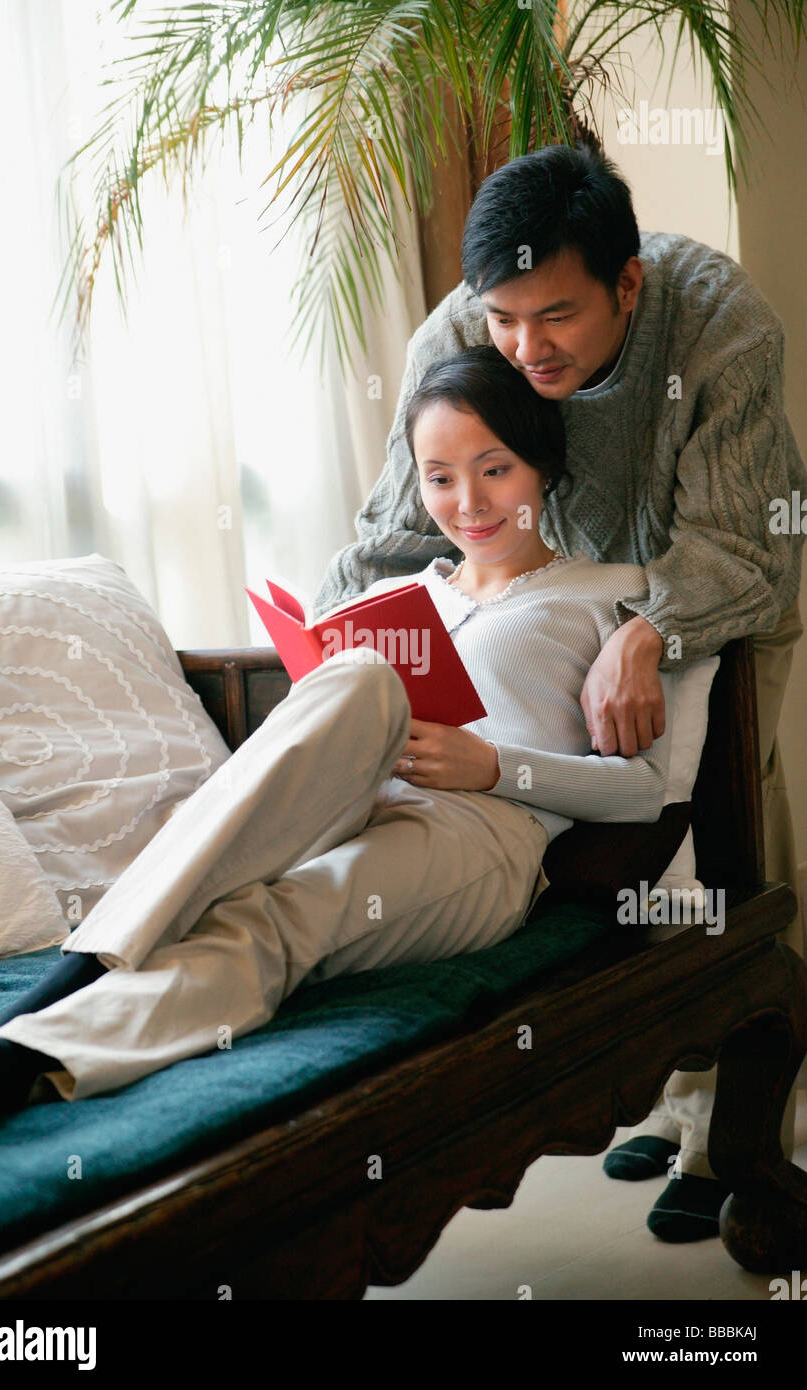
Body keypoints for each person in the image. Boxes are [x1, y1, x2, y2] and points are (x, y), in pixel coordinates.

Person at [0, 347, 676, 1156]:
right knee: (361, 676)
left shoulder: (609, 594)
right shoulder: (395, 599)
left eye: (494, 469)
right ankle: (78, 971)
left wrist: (497, 768)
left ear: (542, 463)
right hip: (356, 795)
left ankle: (23, 1054)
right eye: (438, 477)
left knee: (278, 913)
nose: (468, 502)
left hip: (484, 834)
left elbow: (646, 792)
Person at [312, 143, 807, 1242]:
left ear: (627, 284)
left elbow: (740, 544)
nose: (522, 348)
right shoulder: (456, 333)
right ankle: (672, 1092)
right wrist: (339, 647)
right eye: (503, 321)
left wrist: (648, 630)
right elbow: (395, 533)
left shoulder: (721, 323)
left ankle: (731, 1129)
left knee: (723, 832)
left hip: (709, 591)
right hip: (553, 606)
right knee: (611, 855)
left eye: (557, 319)